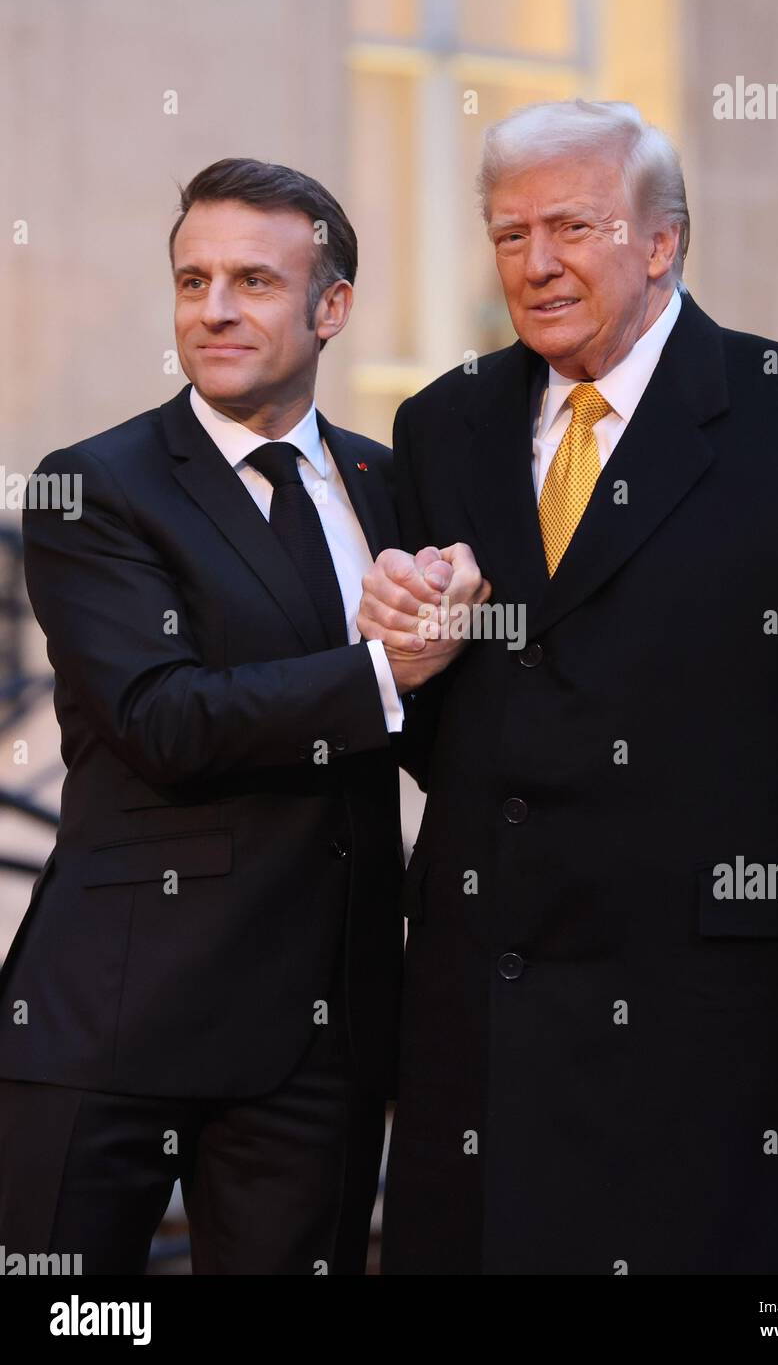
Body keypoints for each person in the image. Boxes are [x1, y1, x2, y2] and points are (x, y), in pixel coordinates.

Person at [357, 99, 778, 1274]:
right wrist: (404, 649)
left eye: (571, 226)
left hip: (724, 1015)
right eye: (510, 233)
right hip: (489, 1007)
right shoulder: (443, 425)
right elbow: (449, 729)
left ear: (662, 240)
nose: (537, 263)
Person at [0, 157, 450, 1274]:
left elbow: (447, 723)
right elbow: (163, 716)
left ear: (331, 305)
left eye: (252, 279)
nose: (213, 309)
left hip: (323, 1036)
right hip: (117, 1019)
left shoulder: (388, 485)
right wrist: (388, 669)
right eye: (192, 279)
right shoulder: (95, 486)